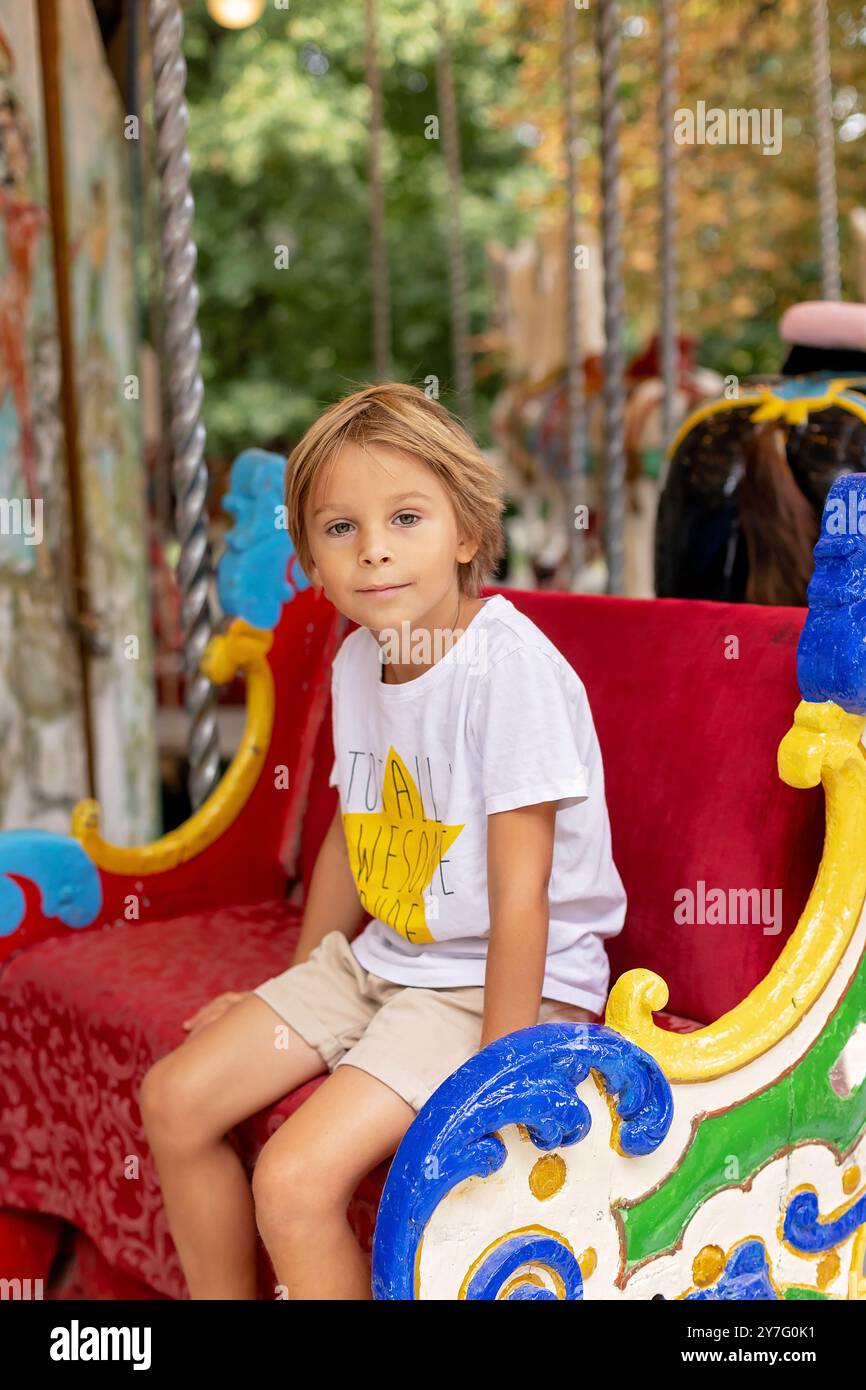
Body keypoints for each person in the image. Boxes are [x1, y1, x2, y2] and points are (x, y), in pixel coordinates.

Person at [139, 382, 627, 1301]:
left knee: (292, 1180)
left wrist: (497, 1078)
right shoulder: (362, 655)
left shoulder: (509, 672)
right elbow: (350, 839)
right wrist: (293, 985)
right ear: (311, 561)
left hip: (497, 982)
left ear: (468, 533)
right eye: (339, 529)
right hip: (385, 960)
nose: (374, 550)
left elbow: (522, 897)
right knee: (175, 1100)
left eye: (406, 518)